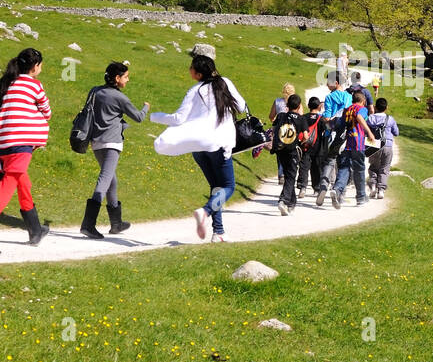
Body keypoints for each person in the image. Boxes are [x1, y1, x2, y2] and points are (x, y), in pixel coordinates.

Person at [150, 48, 245, 242]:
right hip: (218, 143)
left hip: (198, 147)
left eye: (191, 68)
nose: (189, 70)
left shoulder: (194, 90)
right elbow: (242, 107)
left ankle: (218, 232)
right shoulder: (225, 83)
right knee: (229, 186)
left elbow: (178, 119)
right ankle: (205, 212)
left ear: (199, 74)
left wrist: (154, 116)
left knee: (216, 187)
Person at [0, 48, 51, 256]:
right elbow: (47, 111)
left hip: (3, 142)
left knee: (23, 182)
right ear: (35, 67)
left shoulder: (7, 85)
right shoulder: (34, 85)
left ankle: (35, 230)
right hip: (22, 142)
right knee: (8, 185)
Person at [80, 60, 150, 239]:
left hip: (95, 142)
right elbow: (139, 118)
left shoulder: (95, 91)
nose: (128, 80)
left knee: (112, 181)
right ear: (117, 78)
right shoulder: (120, 98)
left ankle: (116, 224)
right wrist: (146, 107)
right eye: (126, 77)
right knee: (104, 180)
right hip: (112, 143)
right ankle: (88, 224)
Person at [332, 88, 375, 209]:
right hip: (358, 143)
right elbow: (360, 118)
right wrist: (369, 132)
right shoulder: (362, 109)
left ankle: (337, 189)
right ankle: (361, 197)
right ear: (363, 100)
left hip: (347, 143)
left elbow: (340, 124)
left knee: (344, 168)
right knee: (359, 169)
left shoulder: (347, 109)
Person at [314, 72, 352, 206]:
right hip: (345, 134)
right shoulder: (349, 97)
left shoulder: (329, 97)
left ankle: (323, 186)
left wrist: (324, 119)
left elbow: (327, 117)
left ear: (336, 83)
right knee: (343, 163)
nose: (326, 85)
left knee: (329, 161)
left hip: (331, 134)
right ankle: (340, 193)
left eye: (328, 82)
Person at [270, 94, 305, 215]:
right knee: (291, 177)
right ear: (299, 106)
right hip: (292, 151)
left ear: (287, 105)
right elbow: (305, 136)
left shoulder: (280, 116)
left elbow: (274, 129)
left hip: (280, 150)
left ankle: (291, 203)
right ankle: (283, 200)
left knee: (288, 175)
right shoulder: (301, 119)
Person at [366, 97, 400, 199]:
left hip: (374, 145)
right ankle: (381, 190)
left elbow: (365, 131)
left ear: (375, 107)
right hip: (387, 145)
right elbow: (396, 133)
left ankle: (372, 186)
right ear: (386, 107)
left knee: (373, 167)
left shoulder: (370, 118)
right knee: (385, 168)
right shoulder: (390, 119)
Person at [267, 82, 296, 181]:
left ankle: (281, 173)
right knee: (290, 151)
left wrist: (275, 122)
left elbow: (271, 116)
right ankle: (288, 172)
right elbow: (300, 116)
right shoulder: (296, 103)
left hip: (279, 130)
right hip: (291, 131)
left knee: (279, 151)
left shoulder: (277, 101)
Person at [295, 96, 322, 197]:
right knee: (316, 167)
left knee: (304, 166)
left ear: (308, 106)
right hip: (317, 147)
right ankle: (316, 188)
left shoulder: (303, 117)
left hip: (305, 145)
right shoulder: (321, 119)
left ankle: (303, 187)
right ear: (319, 106)